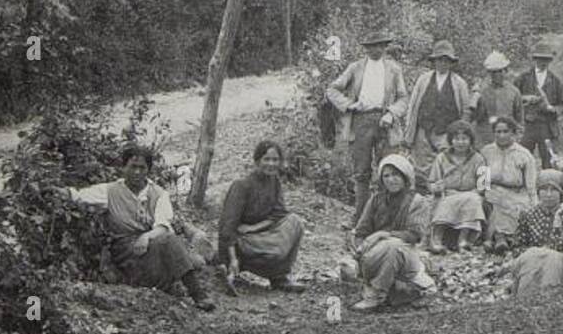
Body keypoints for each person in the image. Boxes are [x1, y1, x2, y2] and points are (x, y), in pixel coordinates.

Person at [65, 144, 214, 311]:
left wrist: (146, 236)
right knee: (179, 254)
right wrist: (61, 193)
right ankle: (188, 288)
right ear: (124, 167)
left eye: (142, 168)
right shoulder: (110, 191)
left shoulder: (158, 194)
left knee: (177, 247)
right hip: (125, 253)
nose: (137, 172)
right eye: (132, 167)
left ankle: (197, 292)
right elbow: (78, 196)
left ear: (148, 170)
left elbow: (163, 226)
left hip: (151, 248)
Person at [326, 31, 409, 223]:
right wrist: (348, 104)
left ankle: (385, 217)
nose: (376, 50)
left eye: (379, 46)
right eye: (371, 46)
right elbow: (332, 89)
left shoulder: (394, 69)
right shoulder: (355, 68)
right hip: (361, 122)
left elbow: (403, 98)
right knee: (361, 172)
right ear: (366, 48)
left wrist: (391, 113)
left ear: (385, 47)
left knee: (388, 170)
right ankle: (360, 217)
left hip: (385, 123)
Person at [350, 154, 437, 312]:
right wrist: (360, 248)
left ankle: (375, 295)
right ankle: (394, 288)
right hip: (374, 252)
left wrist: (384, 234)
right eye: (386, 176)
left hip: (405, 254)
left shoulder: (418, 201)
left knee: (394, 247)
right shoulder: (376, 199)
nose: (391, 180)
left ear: (405, 176)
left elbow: (414, 235)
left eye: (396, 175)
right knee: (347, 267)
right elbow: (361, 231)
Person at [218, 140, 305, 292]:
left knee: (295, 222)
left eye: (275, 160)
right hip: (239, 243)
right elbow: (227, 227)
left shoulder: (275, 182)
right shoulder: (242, 185)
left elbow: (279, 214)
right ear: (257, 160)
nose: (271, 164)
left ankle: (279, 277)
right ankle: (231, 269)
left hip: (258, 235)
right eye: (266, 159)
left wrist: (253, 227)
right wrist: (232, 259)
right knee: (276, 250)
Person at [404, 40, 473, 192]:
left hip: (447, 132)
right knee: (421, 168)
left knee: (445, 165)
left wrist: (461, 134)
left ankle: (442, 201)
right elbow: (413, 106)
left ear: (451, 62)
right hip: (423, 130)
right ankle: (422, 199)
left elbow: (465, 110)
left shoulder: (459, 83)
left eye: (446, 60)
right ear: (434, 61)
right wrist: (409, 132)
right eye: (439, 60)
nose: (442, 63)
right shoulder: (423, 80)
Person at [509, 169, 563, 296]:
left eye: (554, 190)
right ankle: (524, 300)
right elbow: (517, 247)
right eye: (544, 189)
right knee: (534, 257)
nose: (548, 194)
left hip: (560, 264)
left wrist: (557, 224)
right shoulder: (528, 215)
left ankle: (549, 297)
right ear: (538, 192)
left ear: (561, 194)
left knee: (551, 258)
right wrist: (536, 252)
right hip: (532, 262)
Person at [427, 120, 487, 252]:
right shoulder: (441, 158)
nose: (460, 142)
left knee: (473, 199)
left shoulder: (479, 158)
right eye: (457, 139)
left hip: (471, 193)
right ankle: (437, 238)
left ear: (470, 140)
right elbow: (431, 182)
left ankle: (463, 238)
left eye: (464, 139)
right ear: (451, 140)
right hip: (447, 194)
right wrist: (436, 187)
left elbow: (483, 185)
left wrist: (474, 192)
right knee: (444, 200)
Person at [480, 116, 538, 252]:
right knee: (494, 201)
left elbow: (530, 185)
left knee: (512, 204)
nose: (501, 135)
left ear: (513, 133)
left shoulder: (524, 154)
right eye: (498, 132)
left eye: (505, 132)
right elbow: (481, 180)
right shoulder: (486, 152)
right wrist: (482, 193)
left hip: (516, 193)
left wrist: (534, 202)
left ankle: (500, 238)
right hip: (492, 191)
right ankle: (497, 238)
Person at [515, 43, 563, 169]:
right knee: (522, 157)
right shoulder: (524, 78)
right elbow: (513, 96)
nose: (543, 62)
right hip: (528, 125)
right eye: (540, 59)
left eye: (546, 59)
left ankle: (547, 184)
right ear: (535, 59)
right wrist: (525, 98)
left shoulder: (555, 80)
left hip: (547, 126)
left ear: (549, 61)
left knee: (549, 159)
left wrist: (552, 109)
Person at [472, 51, 525, 130]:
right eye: (493, 72)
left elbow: (519, 117)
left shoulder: (514, 91)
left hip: (507, 134)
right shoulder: (481, 90)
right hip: (485, 135)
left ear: (506, 71)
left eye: (500, 71)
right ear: (489, 73)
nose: (497, 75)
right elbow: (474, 116)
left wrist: (518, 130)